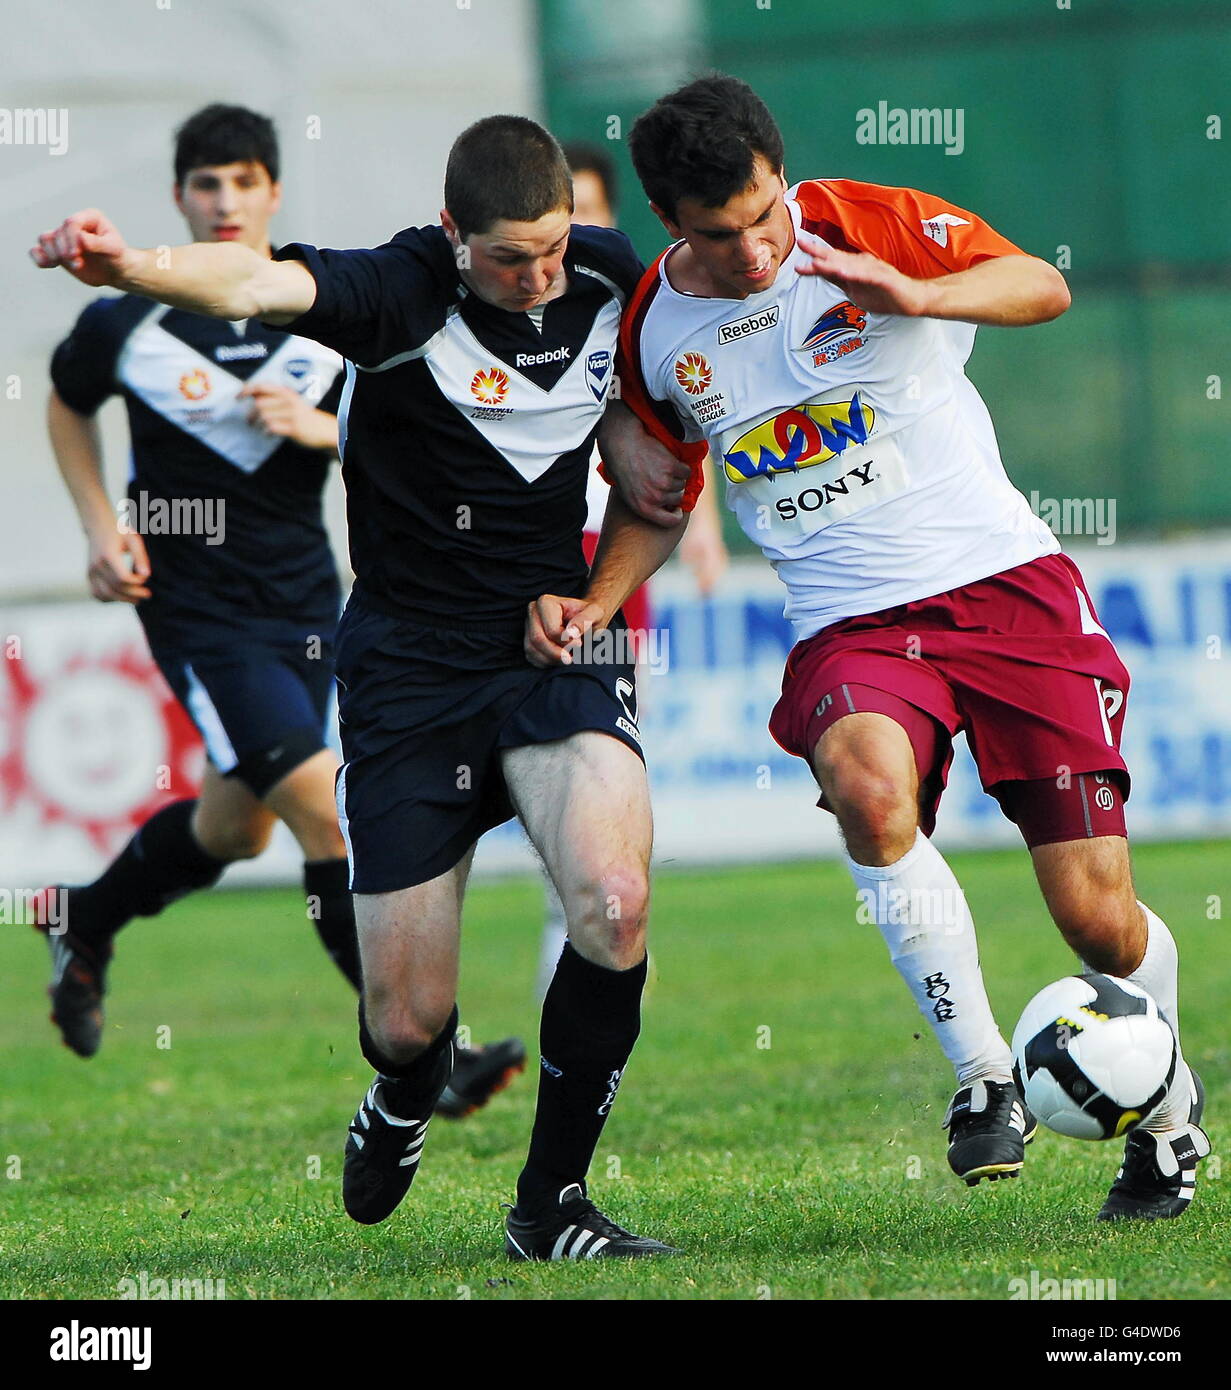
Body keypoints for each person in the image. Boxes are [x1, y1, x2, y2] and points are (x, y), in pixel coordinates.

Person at [526, 74, 1209, 1222]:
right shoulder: (654, 331)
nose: (751, 253)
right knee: (863, 785)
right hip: (850, 621)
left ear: (778, 176)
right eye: (715, 234)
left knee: (1096, 916)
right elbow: (653, 498)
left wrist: (916, 289)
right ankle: (984, 1073)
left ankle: (1172, 1124)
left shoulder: (862, 220)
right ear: (669, 222)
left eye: (761, 216)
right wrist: (595, 602)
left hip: (1009, 593)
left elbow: (1039, 284)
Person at [32, 113, 692, 1259]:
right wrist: (130, 264)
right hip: (404, 672)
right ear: (452, 235)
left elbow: (657, 484)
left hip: (552, 652)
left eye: (549, 249)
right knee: (405, 1019)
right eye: (504, 258)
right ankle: (400, 1092)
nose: (534, 279)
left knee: (615, 901)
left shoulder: (609, 275)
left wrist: (596, 597)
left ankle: (550, 1206)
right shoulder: (395, 289)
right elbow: (252, 282)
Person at [36, 103, 524, 1122]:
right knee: (323, 807)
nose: (223, 202)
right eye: (205, 185)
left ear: (272, 193)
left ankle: (83, 915)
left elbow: (403, 443)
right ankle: (431, 1052)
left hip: (309, 602)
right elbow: (65, 401)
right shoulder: (126, 317)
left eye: (242, 182)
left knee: (236, 825)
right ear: (179, 197)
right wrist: (98, 525)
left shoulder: (319, 314)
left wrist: (321, 429)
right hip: (198, 613)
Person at [530, 142, 728, 996]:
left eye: (587, 209)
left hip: (603, 559)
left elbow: (688, 414)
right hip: (507, 566)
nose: (572, 231)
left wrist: (704, 526)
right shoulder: (501, 307)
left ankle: (576, 955)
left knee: (597, 766)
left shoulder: (635, 310)